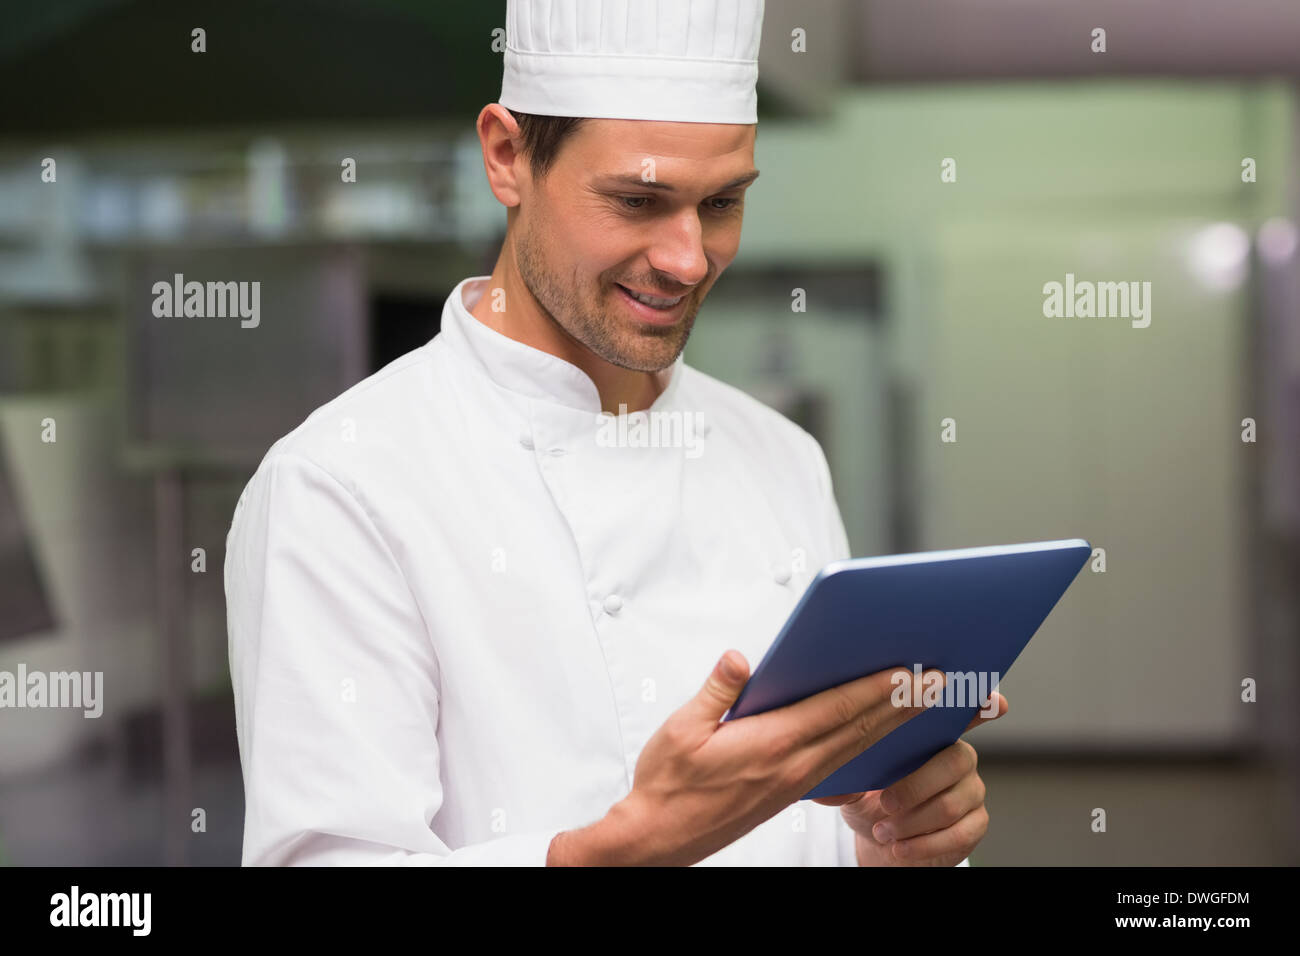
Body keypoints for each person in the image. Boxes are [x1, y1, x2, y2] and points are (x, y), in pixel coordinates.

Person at [224, 0, 1003, 866]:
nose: (688, 257)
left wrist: (891, 854)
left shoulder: (779, 455)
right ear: (508, 155)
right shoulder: (341, 486)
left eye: (722, 202)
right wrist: (633, 848)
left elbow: (820, 828)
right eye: (638, 199)